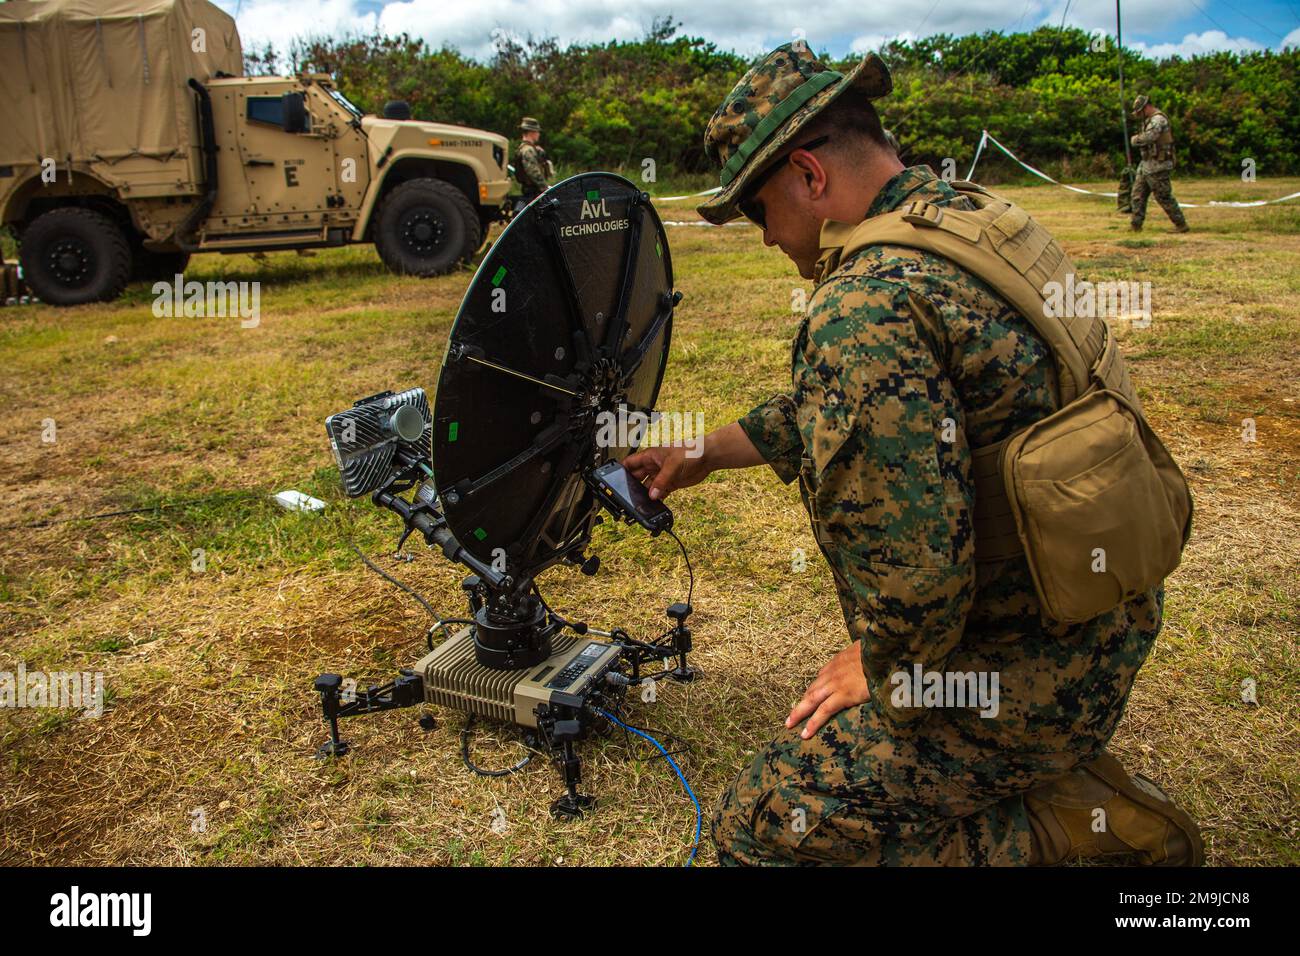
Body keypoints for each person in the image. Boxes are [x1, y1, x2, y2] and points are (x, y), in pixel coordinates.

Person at [623, 42, 1202, 866]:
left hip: (1031, 676)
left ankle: (1070, 836)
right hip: (1106, 619)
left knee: (765, 828)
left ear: (809, 177)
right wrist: (708, 450)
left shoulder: (866, 303)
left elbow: (918, 580)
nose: (763, 239)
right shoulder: (976, 225)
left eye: (759, 211)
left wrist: (888, 666)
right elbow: (883, 407)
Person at [1129, 95, 1189, 233]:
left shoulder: (1158, 120)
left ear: (1146, 107)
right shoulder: (1149, 120)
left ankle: (1181, 224)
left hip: (1158, 164)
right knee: (1137, 195)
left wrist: (1135, 140)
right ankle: (1135, 225)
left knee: (1163, 196)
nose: (1138, 115)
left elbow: (1150, 137)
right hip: (1146, 164)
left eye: (1139, 112)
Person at [513, 116, 553, 209]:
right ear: (532, 132)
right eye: (537, 132)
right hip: (532, 194)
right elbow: (533, 172)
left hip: (530, 193)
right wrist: (545, 189)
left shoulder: (525, 148)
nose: (538, 134)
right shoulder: (528, 150)